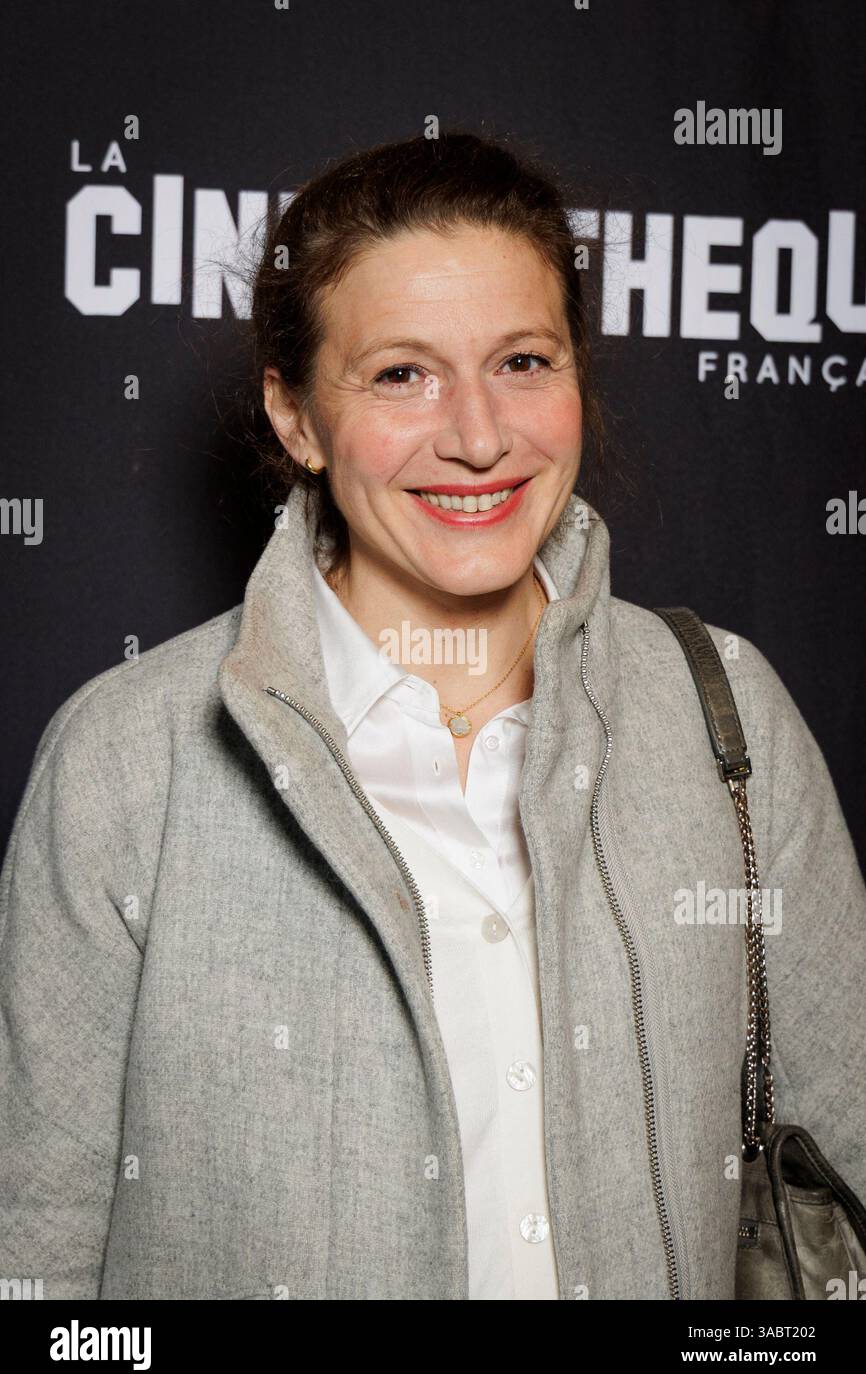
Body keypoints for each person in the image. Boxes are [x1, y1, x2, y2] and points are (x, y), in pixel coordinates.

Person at [1, 131, 864, 1302]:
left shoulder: (731, 719)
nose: (475, 433)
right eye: (401, 373)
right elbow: (33, 1261)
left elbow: (847, 1168)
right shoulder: (123, 760)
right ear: (297, 417)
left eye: (521, 360)